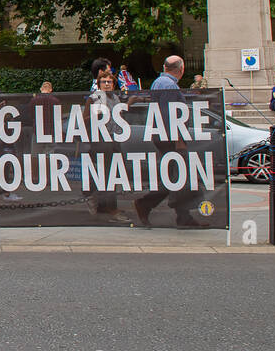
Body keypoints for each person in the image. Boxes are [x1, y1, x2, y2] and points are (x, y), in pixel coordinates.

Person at [134, 55, 208, 228]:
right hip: (169, 137)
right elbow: (169, 115)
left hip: (164, 136)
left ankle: (181, 215)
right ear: (181, 69)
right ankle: (149, 205)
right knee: (180, 176)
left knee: (175, 177)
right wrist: (178, 139)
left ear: (164, 67)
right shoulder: (168, 85)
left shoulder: (160, 82)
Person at [85, 71, 130, 223]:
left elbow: (118, 115)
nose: (106, 84)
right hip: (102, 140)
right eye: (103, 82)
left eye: (109, 82)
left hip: (114, 138)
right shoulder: (96, 98)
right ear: (98, 84)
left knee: (112, 173)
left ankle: (99, 201)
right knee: (108, 175)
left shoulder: (115, 97)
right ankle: (111, 209)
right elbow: (86, 118)